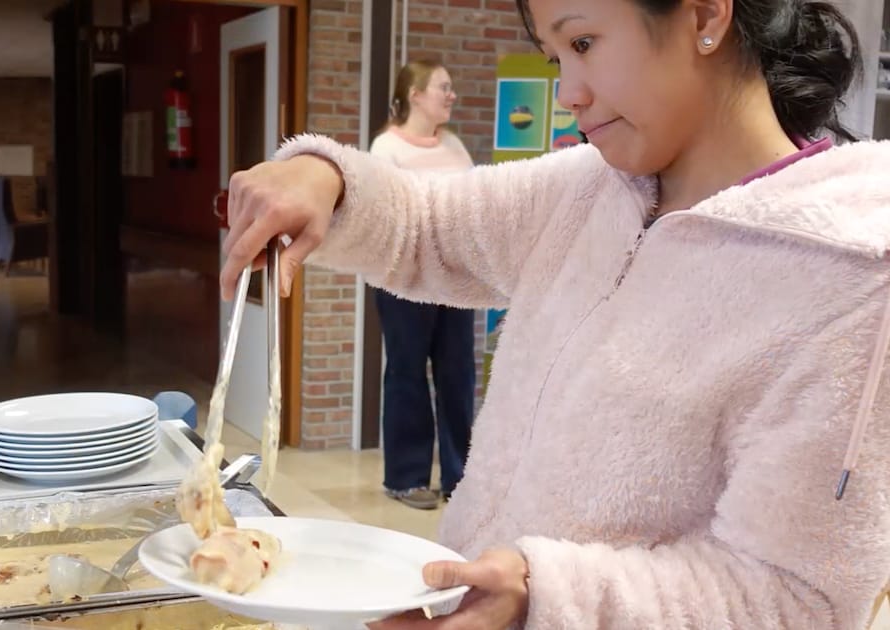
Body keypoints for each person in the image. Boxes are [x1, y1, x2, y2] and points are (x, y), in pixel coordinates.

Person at [219, 0, 890, 626]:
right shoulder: (589, 190)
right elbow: (426, 224)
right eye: (555, 57)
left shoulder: (845, 276)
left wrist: (548, 596)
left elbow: (796, 598)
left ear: (707, 15)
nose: (569, 92)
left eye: (585, 42)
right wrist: (324, 178)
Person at [369, 60, 477, 510]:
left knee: (457, 375)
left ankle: (460, 477)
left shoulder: (453, 145)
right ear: (415, 94)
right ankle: (406, 478)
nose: (451, 96)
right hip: (404, 279)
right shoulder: (385, 148)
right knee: (407, 373)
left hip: (456, 277)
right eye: (443, 88)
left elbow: (475, 199)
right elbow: (384, 212)